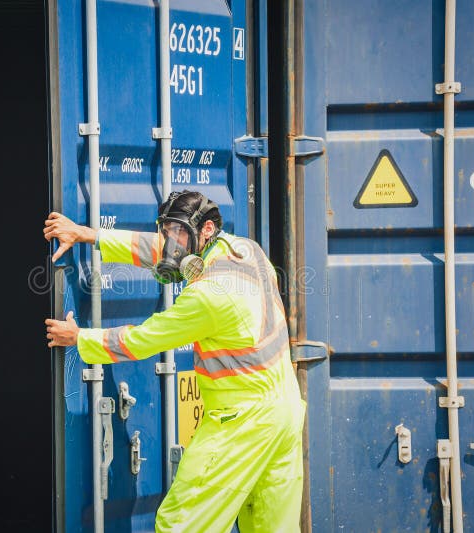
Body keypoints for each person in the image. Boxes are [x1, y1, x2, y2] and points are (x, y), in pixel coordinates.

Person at [44, 190, 305, 533]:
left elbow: (144, 339)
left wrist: (80, 338)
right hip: (284, 414)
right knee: (270, 527)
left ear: (207, 230)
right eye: (168, 230)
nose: (171, 242)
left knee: (181, 525)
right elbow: (160, 250)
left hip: (241, 421)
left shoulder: (209, 295)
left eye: (179, 232)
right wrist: (88, 235)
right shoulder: (245, 250)